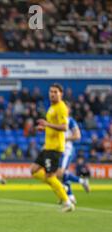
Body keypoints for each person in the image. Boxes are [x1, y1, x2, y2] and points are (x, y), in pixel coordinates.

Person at [30, 84, 74, 212]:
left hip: (55, 148)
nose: (52, 94)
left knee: (50, 176)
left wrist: (47, 124)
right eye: (51, 91)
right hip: (47, 146)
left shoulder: (61, 107)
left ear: (61, 94)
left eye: (55, 92)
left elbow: (64, 127)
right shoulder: (51, 108)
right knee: (33, 170)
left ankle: (67, 202)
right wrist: (44, 128)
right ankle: (60, 186)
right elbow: (53, 126)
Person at [59, 114, 90, 204]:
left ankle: (69, 196)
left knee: (61, 172)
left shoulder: (70, 121)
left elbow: (77, 136)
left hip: (66, 151)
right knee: (61, 174)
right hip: (57, 150)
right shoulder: (55, 120)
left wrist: (64, 139)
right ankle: (80, 183)